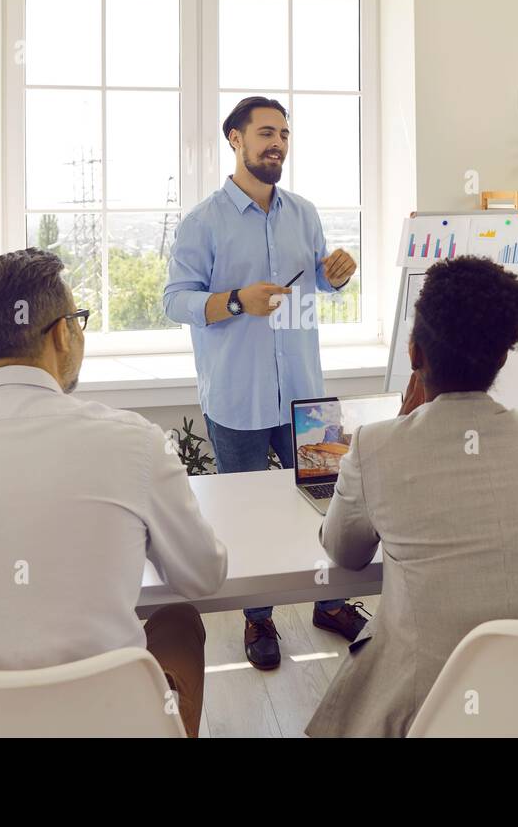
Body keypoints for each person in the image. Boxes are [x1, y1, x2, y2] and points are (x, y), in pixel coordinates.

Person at [0, 250, 227, 737]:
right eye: (78, 320)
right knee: (178, 621)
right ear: (60, 334)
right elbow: (204, 575)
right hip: (108, 728)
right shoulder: (132, 443)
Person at [305, 257, 518, 737]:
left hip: (430, 703)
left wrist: (402, 422)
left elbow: (344, 554)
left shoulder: (377, 444)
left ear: (414, 353)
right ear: (502, 355)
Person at [163, 95, 365, 671]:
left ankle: (331, 603)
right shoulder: (202, 222)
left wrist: (336, 276)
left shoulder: (304, 213)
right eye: (265, 133)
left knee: (331, 506)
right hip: (238, 396)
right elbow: (175, 300)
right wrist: (234, 300)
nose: (277, 143)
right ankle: (259, 621)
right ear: (235, 139)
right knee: (247, 516)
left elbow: (320, 282)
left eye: (284, 134)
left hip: (308, 395)